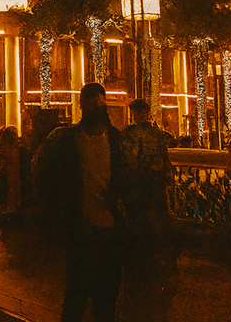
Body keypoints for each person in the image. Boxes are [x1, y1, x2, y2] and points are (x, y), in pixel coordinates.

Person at [33, 83, 123, 322]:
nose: (96, 105)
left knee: (106, 298)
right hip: (80, 229)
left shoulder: (115, 140)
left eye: (100, 101)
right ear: (82, 105)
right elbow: (41, 170)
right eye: (91, 101)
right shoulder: (66, 139)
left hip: (110, 230)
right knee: (76, 295)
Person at [119, 99, 175, 321]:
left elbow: (163, 159)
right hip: (137, 186)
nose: (138, 116)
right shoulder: (129, 134)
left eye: (141, 112)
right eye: (135, 112)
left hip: (149, 186)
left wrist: (163, 174)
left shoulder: (154, 135)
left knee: (150, 222)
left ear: (146, 113)